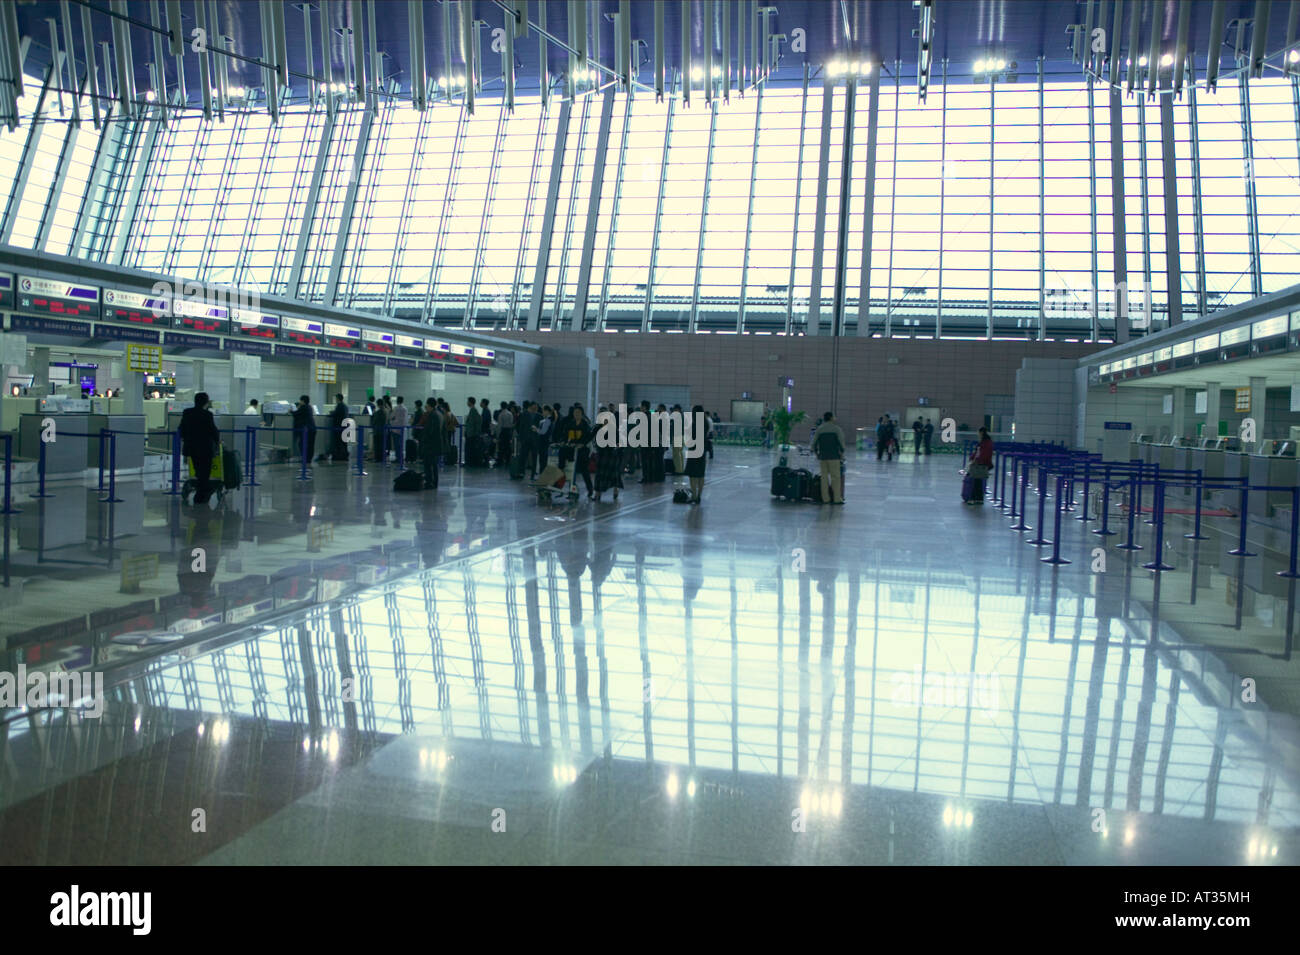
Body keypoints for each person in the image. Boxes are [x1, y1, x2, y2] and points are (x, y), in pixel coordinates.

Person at [179, 392, 220, 504]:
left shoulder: (187, 412)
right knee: (205, 472)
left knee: (198, 469)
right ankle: (201, 495)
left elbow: (181, 429)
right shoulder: (207, 415)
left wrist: (185, 439)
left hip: (191, 447)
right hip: (205, 448)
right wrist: (217, 441)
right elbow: (213, 430)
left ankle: (201, 492)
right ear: (206, 402)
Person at [556, 404, 594, 497]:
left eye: (578, 413)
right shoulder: (570, 423)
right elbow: (565, 435)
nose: (576, 414)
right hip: (572, 448)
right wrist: (563, 442)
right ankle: (559, 483)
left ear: (582, 414)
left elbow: (589, 437)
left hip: (582, 450)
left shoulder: (585, 424)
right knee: (562, 454)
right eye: (575, 413)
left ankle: (590, 489)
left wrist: (582, 444)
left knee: (584, 469)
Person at [813, 411, 846, 505]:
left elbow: (814, 443)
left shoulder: (820, 429)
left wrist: (817, 454)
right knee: (835, 477)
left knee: (824, 478)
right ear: (831, 418)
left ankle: (825, 499)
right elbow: (841, 443)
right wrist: (842, 453)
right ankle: (836, 498)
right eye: (834, 417)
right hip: (834, 457)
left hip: (823, 457)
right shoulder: (836, 429)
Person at [684, 405, 709, 505]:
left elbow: (691, 436)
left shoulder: (695, 424)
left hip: (694, 450)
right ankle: (699, 496)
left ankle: (694, 496)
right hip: (702, 450)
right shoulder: (705, 422)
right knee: (700, 474)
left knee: (692, 475)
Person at [967, 426, 995, 505]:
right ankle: (979, 499)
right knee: (978, 481)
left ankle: (973, 498)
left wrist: (976, 460)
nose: (978, 434)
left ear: (982, 432)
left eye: (978, 432)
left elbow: (982, 454)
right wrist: (972, 458)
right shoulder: (986, 442)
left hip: (980, 464)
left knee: (975, 481)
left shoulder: (986, 442)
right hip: (982, 463)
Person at [420, 395, 442, 489]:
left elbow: (431, 431)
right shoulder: (437, 414)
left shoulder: (432, 415)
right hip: (435, 444)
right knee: (433, 464)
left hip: (430, 445)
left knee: (429, 464)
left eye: (427, 405)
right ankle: (433, 482)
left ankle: (430, 482)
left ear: (430, 405)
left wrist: (424, 439)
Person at [292, 395, 317, 468]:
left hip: (307, 430)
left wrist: (291, 411)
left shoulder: (304, 407)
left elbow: (296, 414)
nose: (300, 402)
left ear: (303, 401)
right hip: (312, 429)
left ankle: (305, 459)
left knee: (302, 444)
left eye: (300, 400)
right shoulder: (309, 407)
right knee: (310, 445)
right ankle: (308, 459)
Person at [329, 393, 349, 462]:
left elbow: (336, 414)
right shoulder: (345, 406)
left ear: (338, 399)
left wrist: (331, 413)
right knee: (344, 442)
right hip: (344, 426)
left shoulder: (339, 406)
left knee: (339, 441)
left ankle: (339, 456)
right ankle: (344, 455)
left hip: (339, 427)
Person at [464, 397, 482, 466]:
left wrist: (470, 433)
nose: (467, 403)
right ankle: (469, 462)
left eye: (468, 401)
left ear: (470, 402)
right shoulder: (473, 410)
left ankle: (469, 462)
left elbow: (472, 423)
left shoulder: (473, 410)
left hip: (471, 435)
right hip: (471, 434)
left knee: (469, 449)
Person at [497, 401, 515, 466]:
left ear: (501, 406)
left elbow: (499, 426)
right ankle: (508, 461)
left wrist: (498, 435)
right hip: (509, 431)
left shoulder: (501, 414)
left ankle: (500, 461)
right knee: (508, 447)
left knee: (501, 447)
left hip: (503, 431)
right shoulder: (510, 414)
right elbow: (511, 423)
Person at [371, 398, 388, 462]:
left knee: (377, 446)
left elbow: (374, 421)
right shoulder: (386, 411)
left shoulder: (378, 412)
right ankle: (382, 458)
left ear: (378, 404)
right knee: (382, 446)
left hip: (378, 431)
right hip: (384, 431)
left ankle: (377, 458)